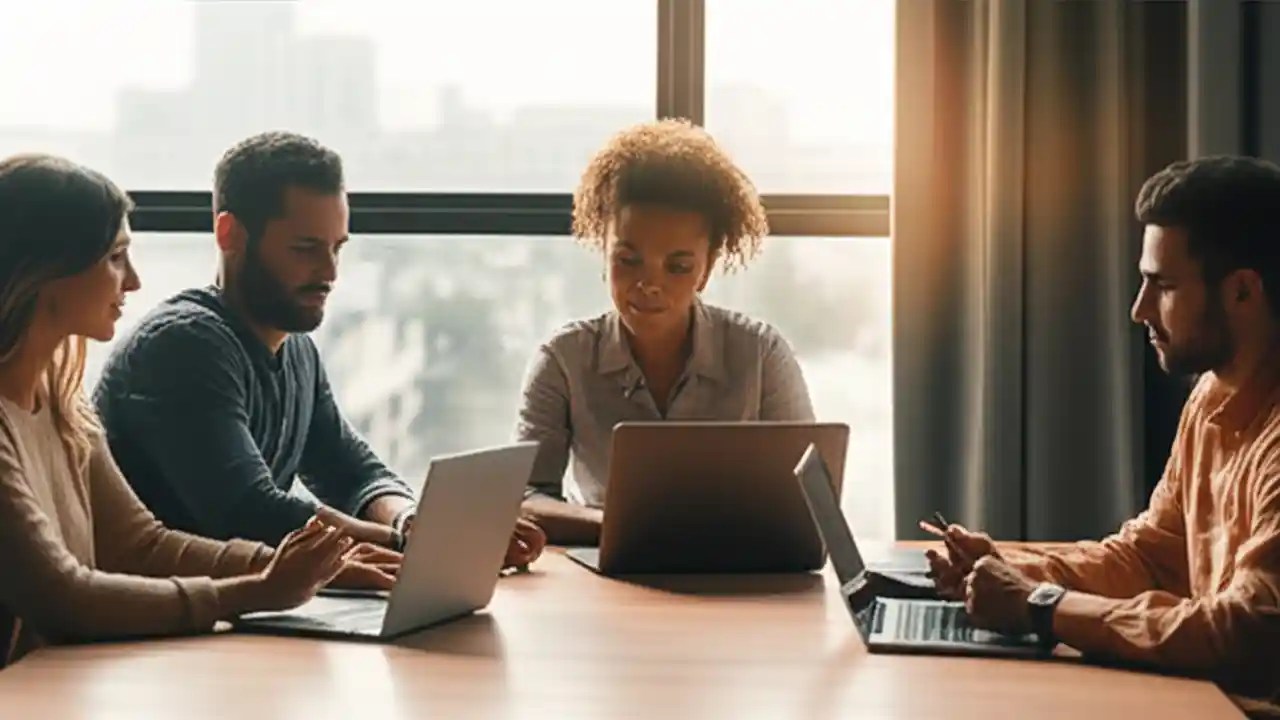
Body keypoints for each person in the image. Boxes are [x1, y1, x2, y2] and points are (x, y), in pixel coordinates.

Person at [93, 132, 545, 571]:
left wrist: (412, 519)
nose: (329, 272)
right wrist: (425, 541)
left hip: (237, 616)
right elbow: (254, 513)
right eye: (305, 249)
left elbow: (353, 473)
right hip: (156, 631)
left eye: (337, 247)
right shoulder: (183, 346)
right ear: (230, 234)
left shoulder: (297, 348)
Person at [926, 156, 1280, 713]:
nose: (1139, 309)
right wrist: (1009, 569)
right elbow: (1147, 557)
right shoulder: (1211, 397)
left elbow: (1244, 633)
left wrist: (1042, 606)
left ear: (1242, 291)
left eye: (1161, 285)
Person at [0, 153, 368, 667]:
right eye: (114, 258)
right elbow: (64, 597)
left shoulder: (63, 405)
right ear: (44, 271)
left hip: (61, 687)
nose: (132, 282)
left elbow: (139, 547)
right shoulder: (183, 344)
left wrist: (302, 568)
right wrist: (254, 591)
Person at [516, 119, 815, 545]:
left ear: (707, 269)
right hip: (605, 577)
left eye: (677, 267)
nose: (649, 284)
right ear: (604, 251)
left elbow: (808, 502)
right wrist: (622, 529)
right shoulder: (563, 358)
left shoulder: (762, 354)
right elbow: (526, 497)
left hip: (735, 579)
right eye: (628, 259)